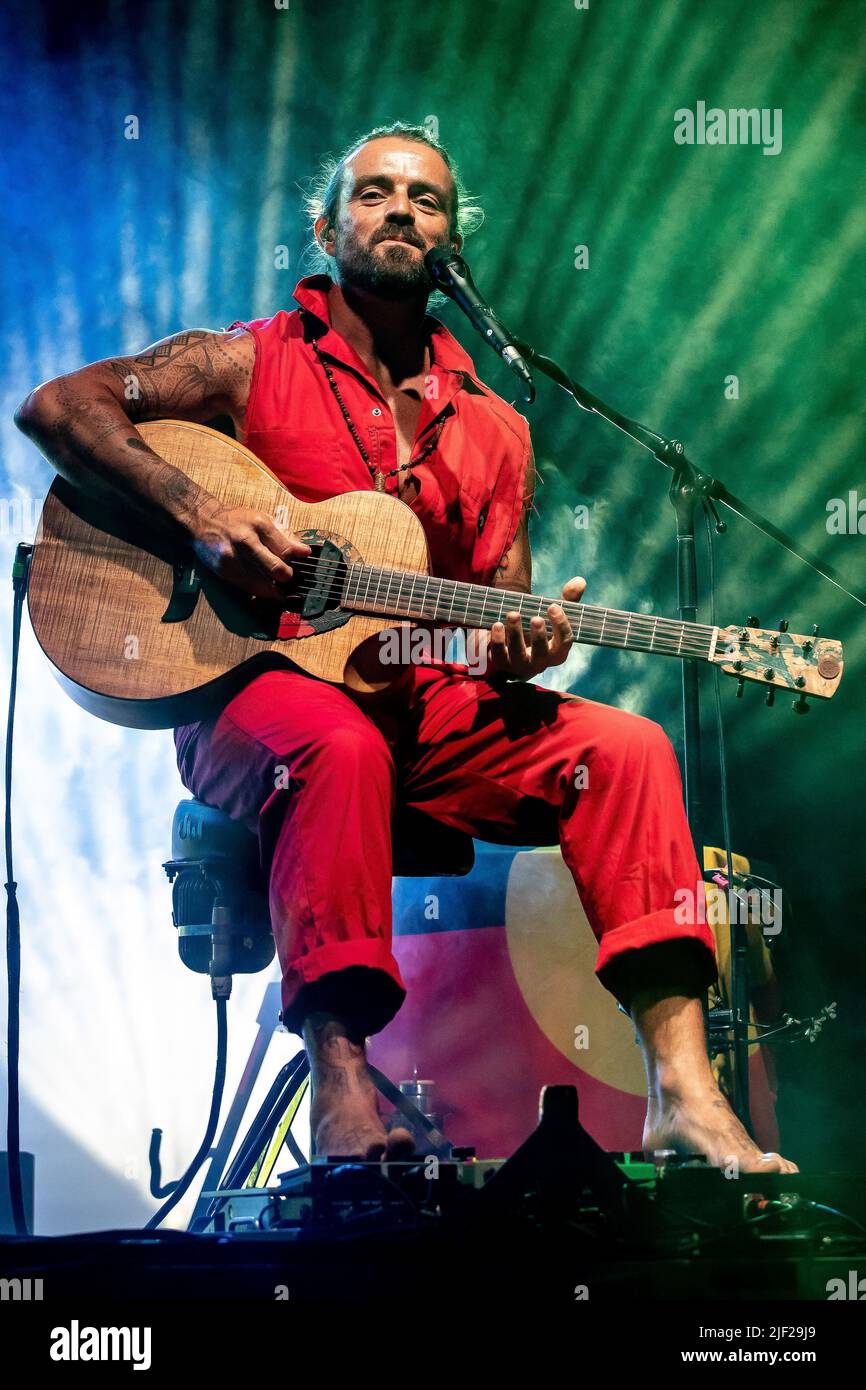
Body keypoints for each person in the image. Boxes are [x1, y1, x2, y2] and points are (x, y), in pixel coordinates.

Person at [15, 122, 796, 1173]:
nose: (398, 211)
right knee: (339, 742)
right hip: (258, 702)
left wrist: (512, 652)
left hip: (424, 714)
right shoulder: (245, 361)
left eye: (424, 200)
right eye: (373, 193)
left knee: (627, 749)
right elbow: (59, 406)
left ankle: (684, 1095)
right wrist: (201, 513)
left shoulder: (495, 427)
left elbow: (484, 620)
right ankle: (339, 1080)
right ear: (327, 225)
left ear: (450, 240)